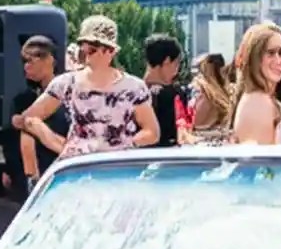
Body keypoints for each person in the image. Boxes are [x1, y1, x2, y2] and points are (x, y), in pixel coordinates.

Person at [22, 15, 158, 159]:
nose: (86, 55)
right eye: (83, 49)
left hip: (119, 169)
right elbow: (29, 119)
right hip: (79, 169)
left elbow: (152, 132)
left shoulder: (134, 88)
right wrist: (65, 147)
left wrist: (121, 146)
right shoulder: (66, 83)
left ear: (110, 51)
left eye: (92, 50)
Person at [11, 35, 68, 183]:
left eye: (30, 61)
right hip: (33, 178)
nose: (26, 67)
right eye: (24, 61)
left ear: (49, 60)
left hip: (61, 173)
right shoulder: (23, 99)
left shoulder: (68, 95)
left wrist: (40, 131)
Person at [142, 33, 184, 148]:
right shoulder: (172, 95)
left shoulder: (134, 92)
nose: (176, 71)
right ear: (167, 61)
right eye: (176, 64)